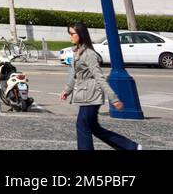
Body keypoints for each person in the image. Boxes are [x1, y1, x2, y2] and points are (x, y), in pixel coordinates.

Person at [60, 23, 140, 151]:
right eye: (69, 33)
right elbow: (76, 74)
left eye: (72, 33)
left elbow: (99, 77)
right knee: (92, 127)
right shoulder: (78, 51)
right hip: (85, 94)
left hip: (91, 95)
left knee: (82, 125)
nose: (70, 36)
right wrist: (67, 90)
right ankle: (131, 147)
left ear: (81, 34)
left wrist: (114, 99)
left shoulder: (89, 54)